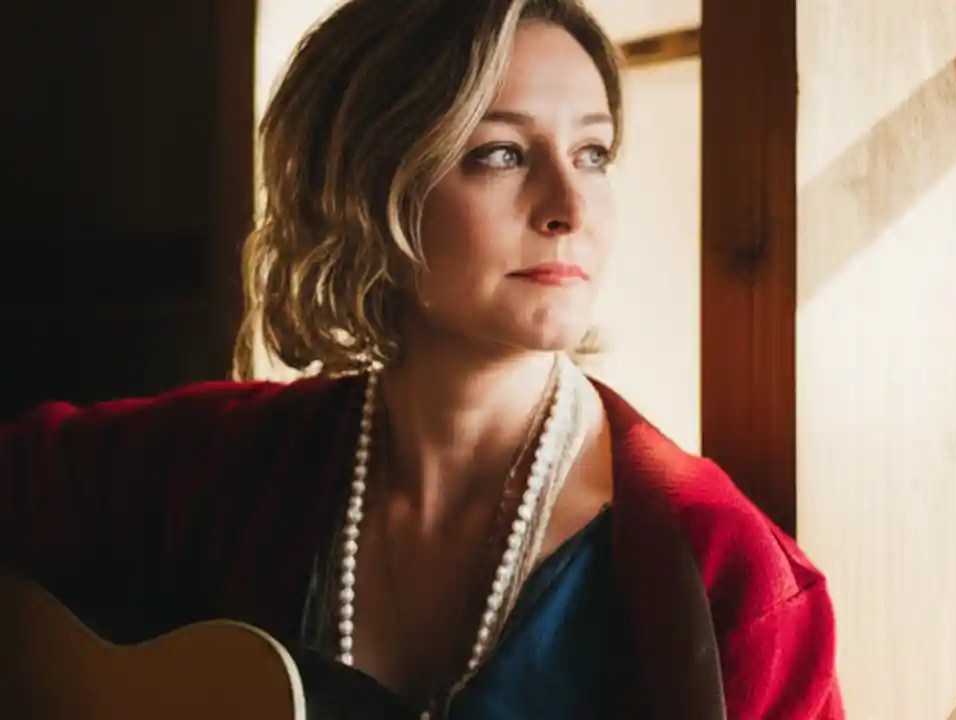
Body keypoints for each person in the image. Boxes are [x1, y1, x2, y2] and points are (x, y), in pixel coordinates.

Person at [0, 0, 841, 717]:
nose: (570, 205)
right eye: (501, 153)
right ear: (368, 187)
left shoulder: (732, 578)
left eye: (593, 153)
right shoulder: (223, 461)